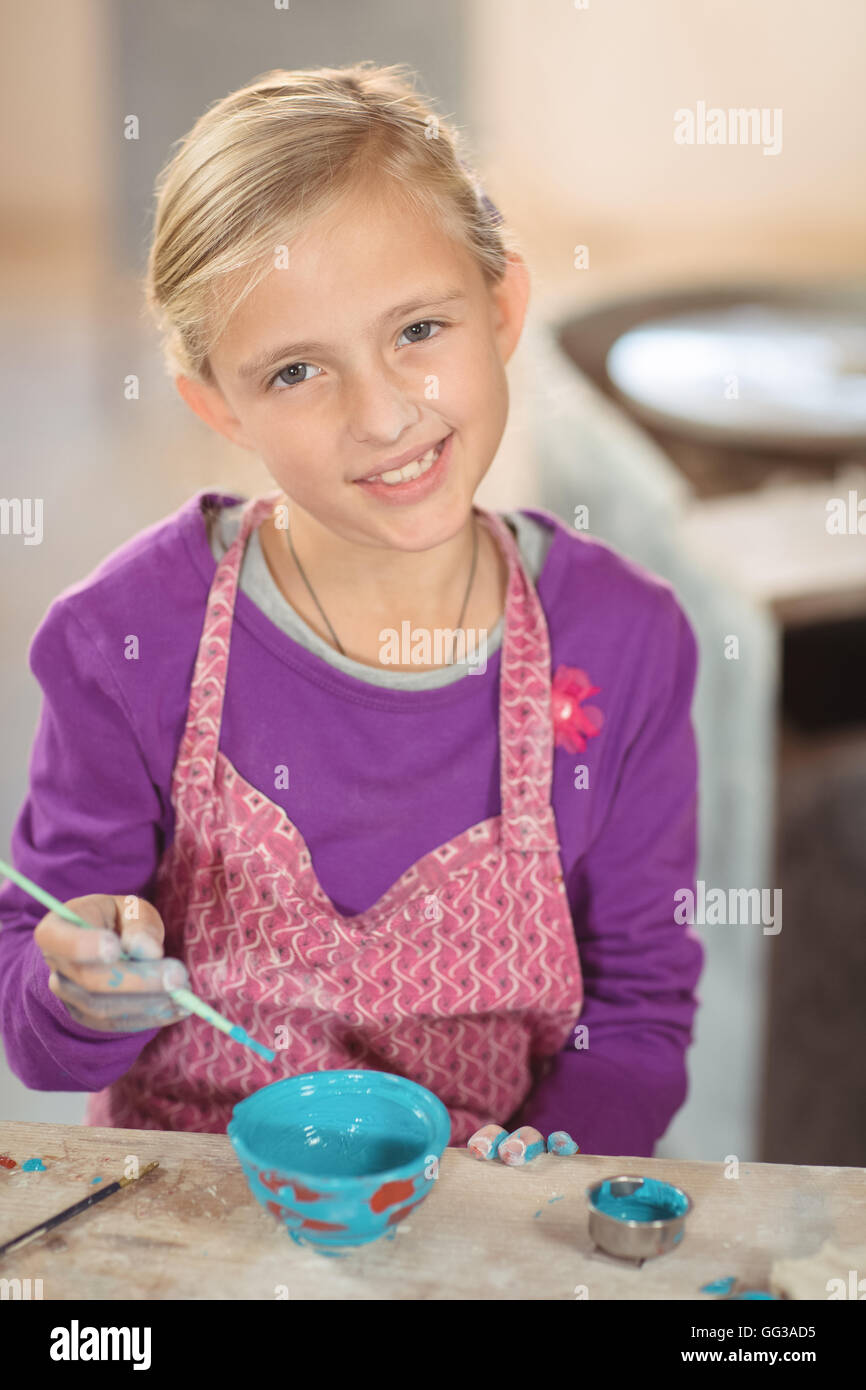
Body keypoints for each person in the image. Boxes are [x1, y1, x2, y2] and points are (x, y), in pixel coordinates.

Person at [0, 62, 703, 1153]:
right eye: (294, 372)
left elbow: (637, 1010)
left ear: (502, 304)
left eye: (419, 330)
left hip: (486, 1222)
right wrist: (83, 991)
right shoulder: (124, 642)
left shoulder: (625, 638)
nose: (383, 414)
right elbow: (39, 1028)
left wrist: (547, 1180)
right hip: (189, 1217)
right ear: (214, 402)